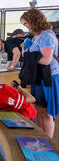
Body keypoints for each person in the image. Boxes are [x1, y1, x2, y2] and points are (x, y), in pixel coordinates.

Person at [20, 8, 59, 138]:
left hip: (48, 78)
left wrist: (27, 56)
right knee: (39, 108)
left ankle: (48, 142)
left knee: (47, 112)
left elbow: (46, 60)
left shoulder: (47, 36)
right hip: (39, 77)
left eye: (26, 23)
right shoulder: (37, 36)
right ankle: (41, 137)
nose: (25, 26)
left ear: (34, 21)